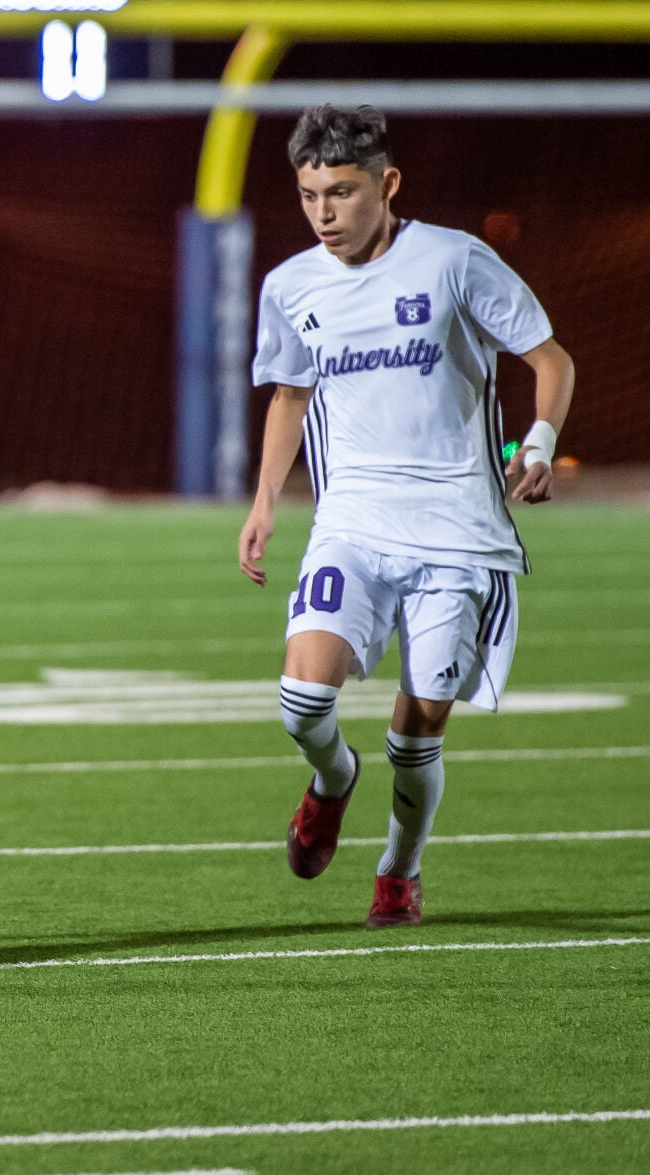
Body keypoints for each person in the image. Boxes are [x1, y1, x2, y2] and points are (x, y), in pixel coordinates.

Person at [238, 105, 574, 928]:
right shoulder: (289, 286)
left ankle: (398, 869)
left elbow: (549, 359)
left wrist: (538, 442)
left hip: (457, 536)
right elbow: (289, 394)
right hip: (350, 525)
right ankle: (332, 779)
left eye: (341, 192)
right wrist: (263, 502)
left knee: (416, 734)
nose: (323, 213)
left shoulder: (454, 260)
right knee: (299, 701)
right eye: (308, 195)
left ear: (386, 183)